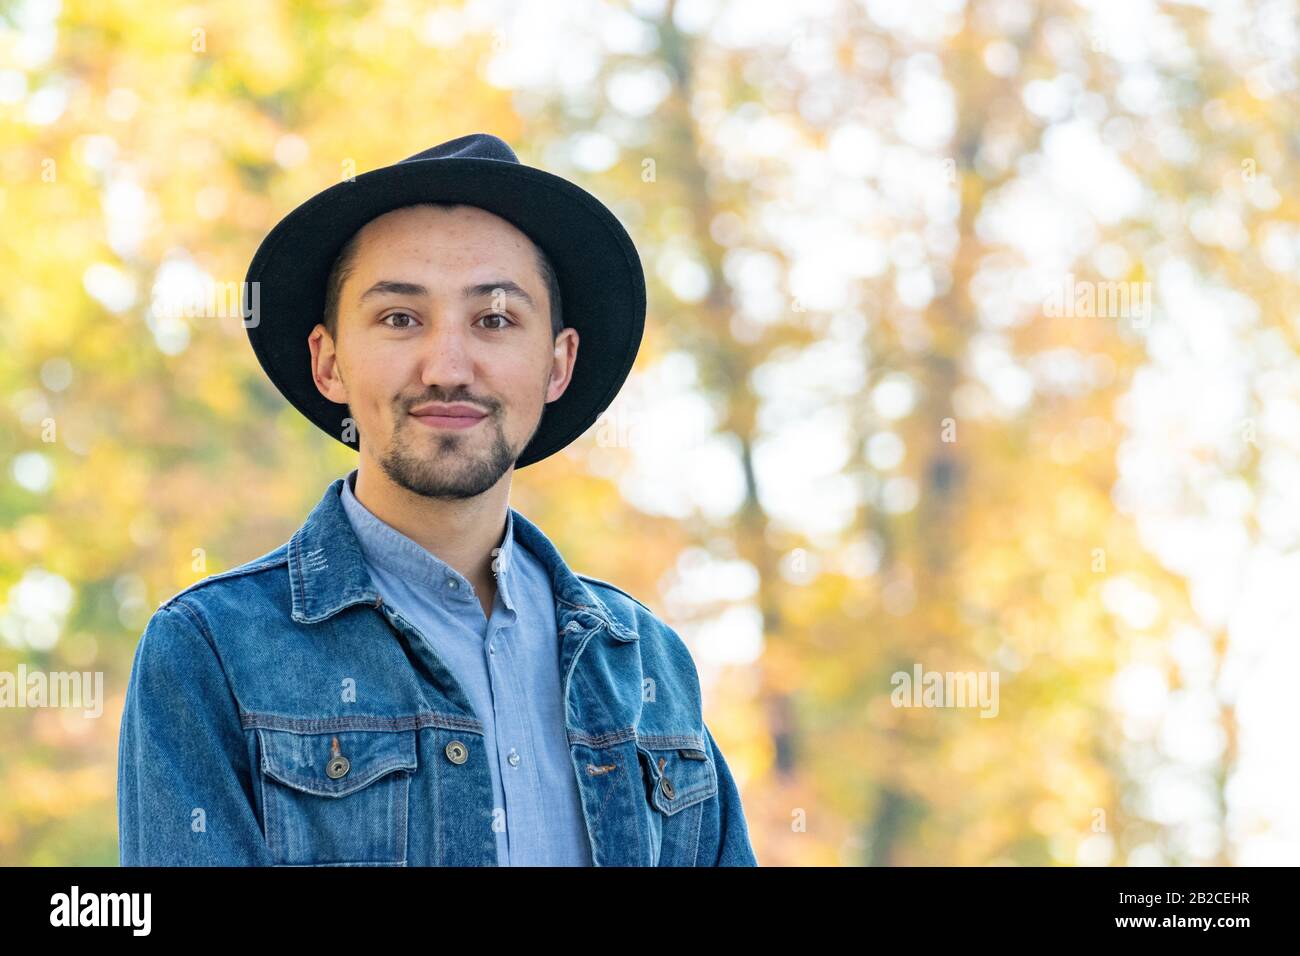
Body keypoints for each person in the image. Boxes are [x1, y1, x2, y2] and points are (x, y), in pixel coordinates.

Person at [117, 133, 758, 866]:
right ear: (329, 362)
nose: (448, 368)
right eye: (399, 318)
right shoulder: (210, 654)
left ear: (557, 363)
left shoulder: (649, 664)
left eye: (495, 320)